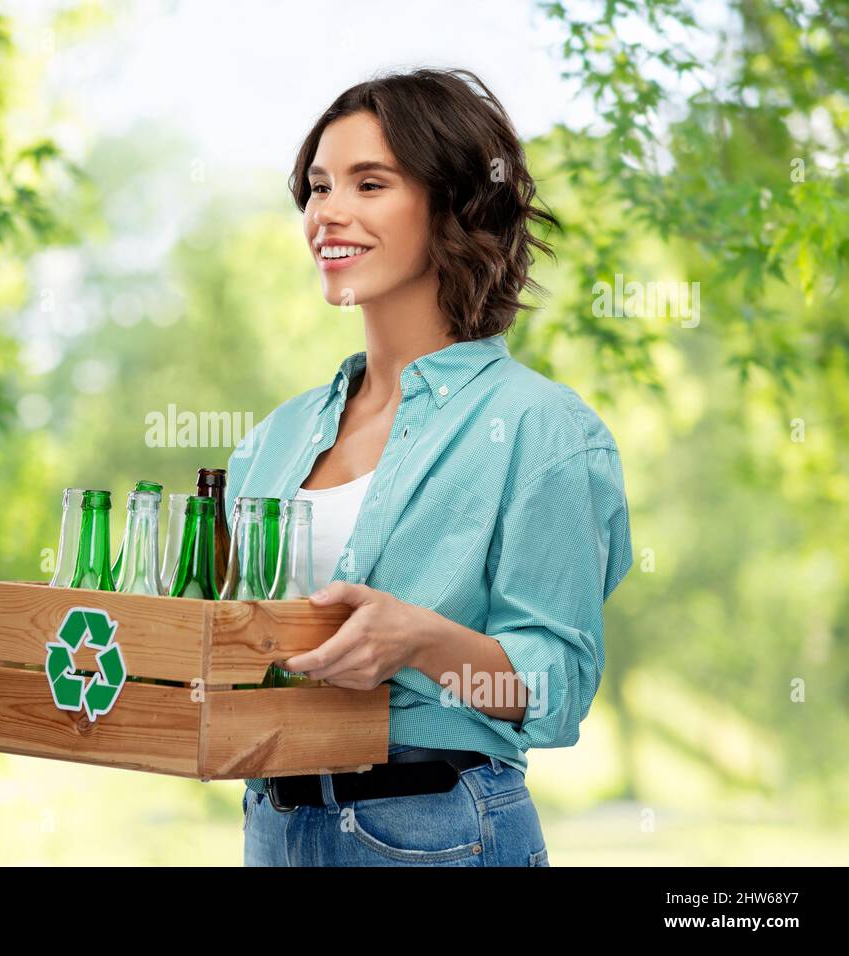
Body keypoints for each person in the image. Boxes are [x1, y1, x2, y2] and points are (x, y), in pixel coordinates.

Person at [228, 68, 634, 867]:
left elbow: (555, 691)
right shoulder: (270, 441)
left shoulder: (541, 429)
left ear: (451, 203)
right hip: (275, 826)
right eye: (316, 188)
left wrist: (420, 642)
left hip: (437, 833)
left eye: (368, 183)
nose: (326, 213)